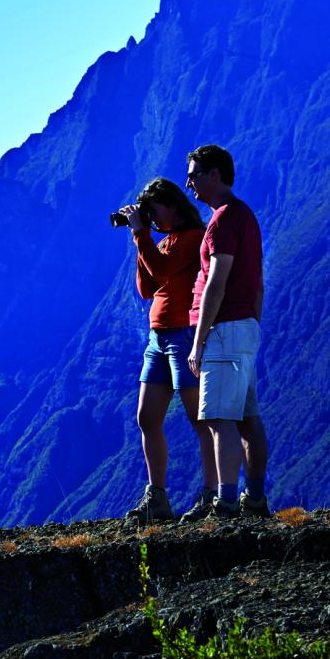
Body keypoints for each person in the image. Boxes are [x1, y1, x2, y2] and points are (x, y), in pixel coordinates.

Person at [116, 178, 215, 522]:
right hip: (157, 338)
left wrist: (141, 235)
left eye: (153, 209)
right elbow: (147, 287)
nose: (151, 217)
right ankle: (156, 496)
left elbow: (158, 269)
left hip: (183, 335)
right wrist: (140, 239)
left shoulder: (192, 239)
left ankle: (212, 494)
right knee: (147, 417)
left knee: (198, 418)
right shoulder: (166, 241)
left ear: (172, 205)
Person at [181, 144, 269, 520]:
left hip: (223, 330)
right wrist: (253, 324)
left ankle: (227, 502)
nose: (189, 184)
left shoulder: (221, 220)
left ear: (214, 174)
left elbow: (217, 280)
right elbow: (259, 282)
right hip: (244, 327)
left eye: (194, 175)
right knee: (248, 420)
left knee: (218, 419)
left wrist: (199, 340)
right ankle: (255, 499)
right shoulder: (246, 216)